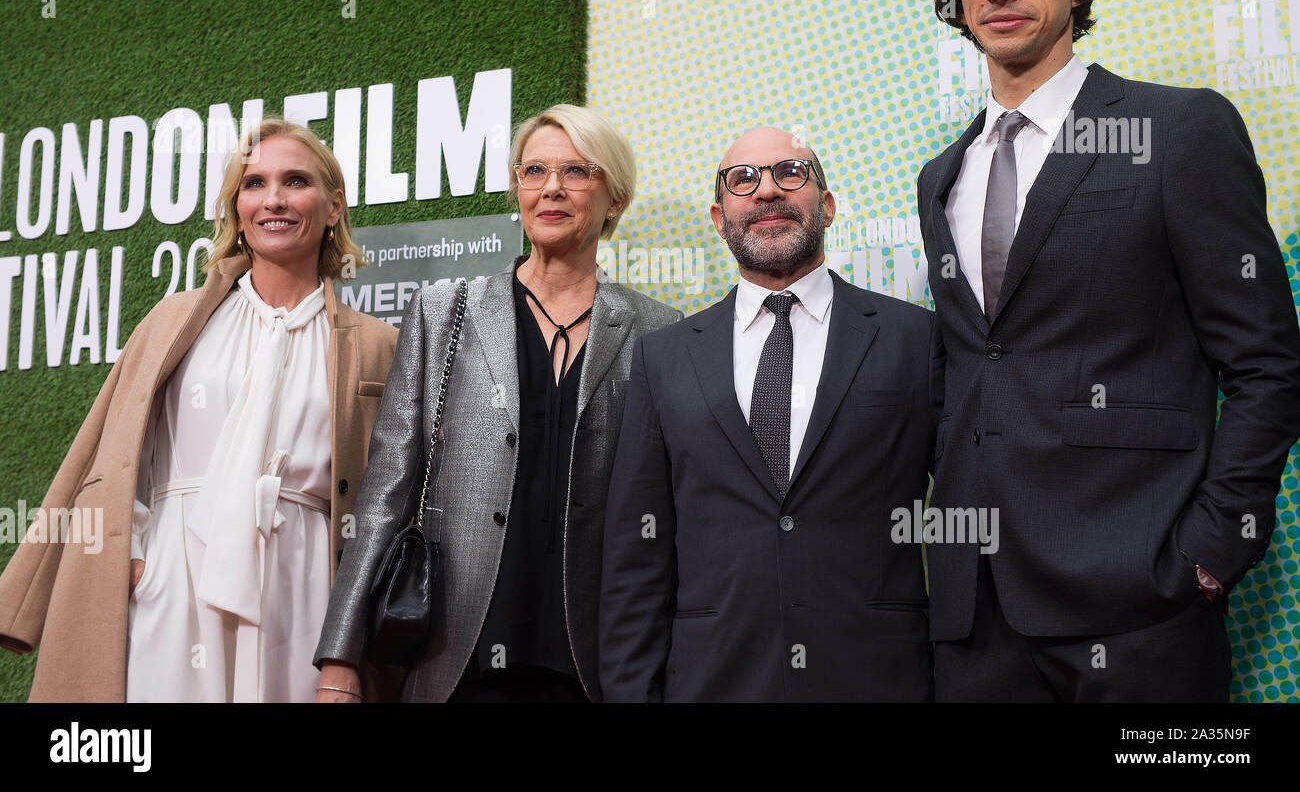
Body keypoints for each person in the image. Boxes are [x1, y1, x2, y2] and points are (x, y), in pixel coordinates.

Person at [917, 0, 1300, 701]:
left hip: (1139, 605)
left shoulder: (1177, 130)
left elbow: (1268, 366)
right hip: (974, 618)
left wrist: (1205, 555)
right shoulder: (940, 176)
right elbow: (973, 369)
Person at [0, 118, 398, 701]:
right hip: (175, 578)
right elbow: (105, 456)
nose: (274, 200)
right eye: (254, 184)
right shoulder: (176, 320)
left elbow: (388, 501)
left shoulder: (378, 343)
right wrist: (134, 557)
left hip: (306, 581)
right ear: (237, 207)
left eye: (296, 181)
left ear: (333, 205)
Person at [314, 103, 681, 702]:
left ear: (613, 198)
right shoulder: (444, 312)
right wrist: (340, 657)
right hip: (457, 661)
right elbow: (386, 492)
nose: (552, 189)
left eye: (577, 172)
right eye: (533, 171)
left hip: (599, 668)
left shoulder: (658, 330)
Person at [599, 127, 936, 701]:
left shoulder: (917, 337)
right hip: (714, 680)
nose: (765, 192)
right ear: (717, 215)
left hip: (879, 677)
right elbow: (637, 553)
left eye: (790, 173)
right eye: (743, 180)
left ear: (827, 206)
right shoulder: (666, 356)